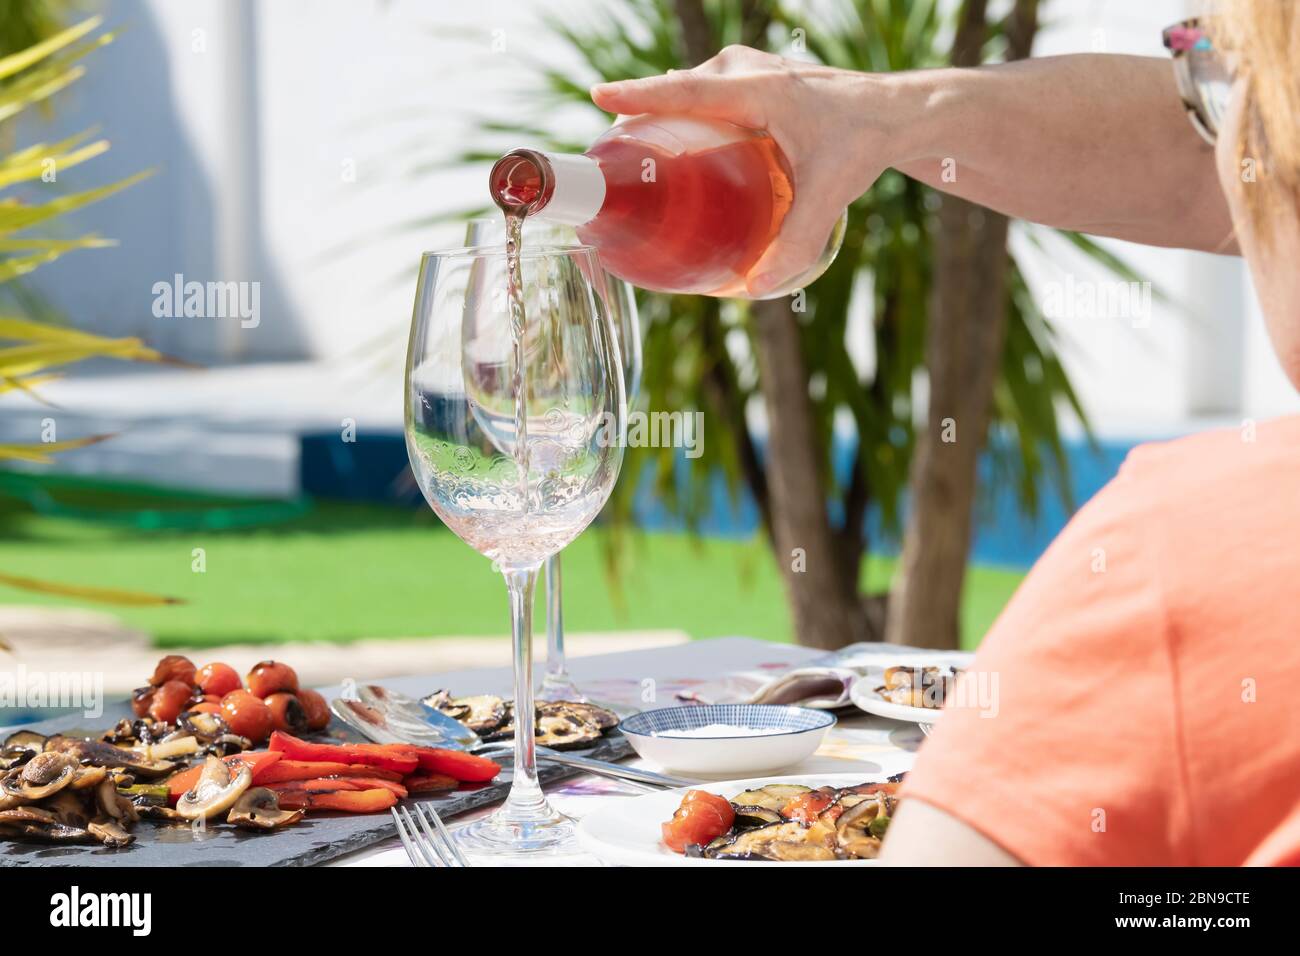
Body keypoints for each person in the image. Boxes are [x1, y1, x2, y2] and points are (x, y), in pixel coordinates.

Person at [591, 0, 1300, 866]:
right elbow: (1196, 158)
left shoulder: (1185, 563)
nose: (1227, 161)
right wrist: (882, 111)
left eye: (1220, 79)